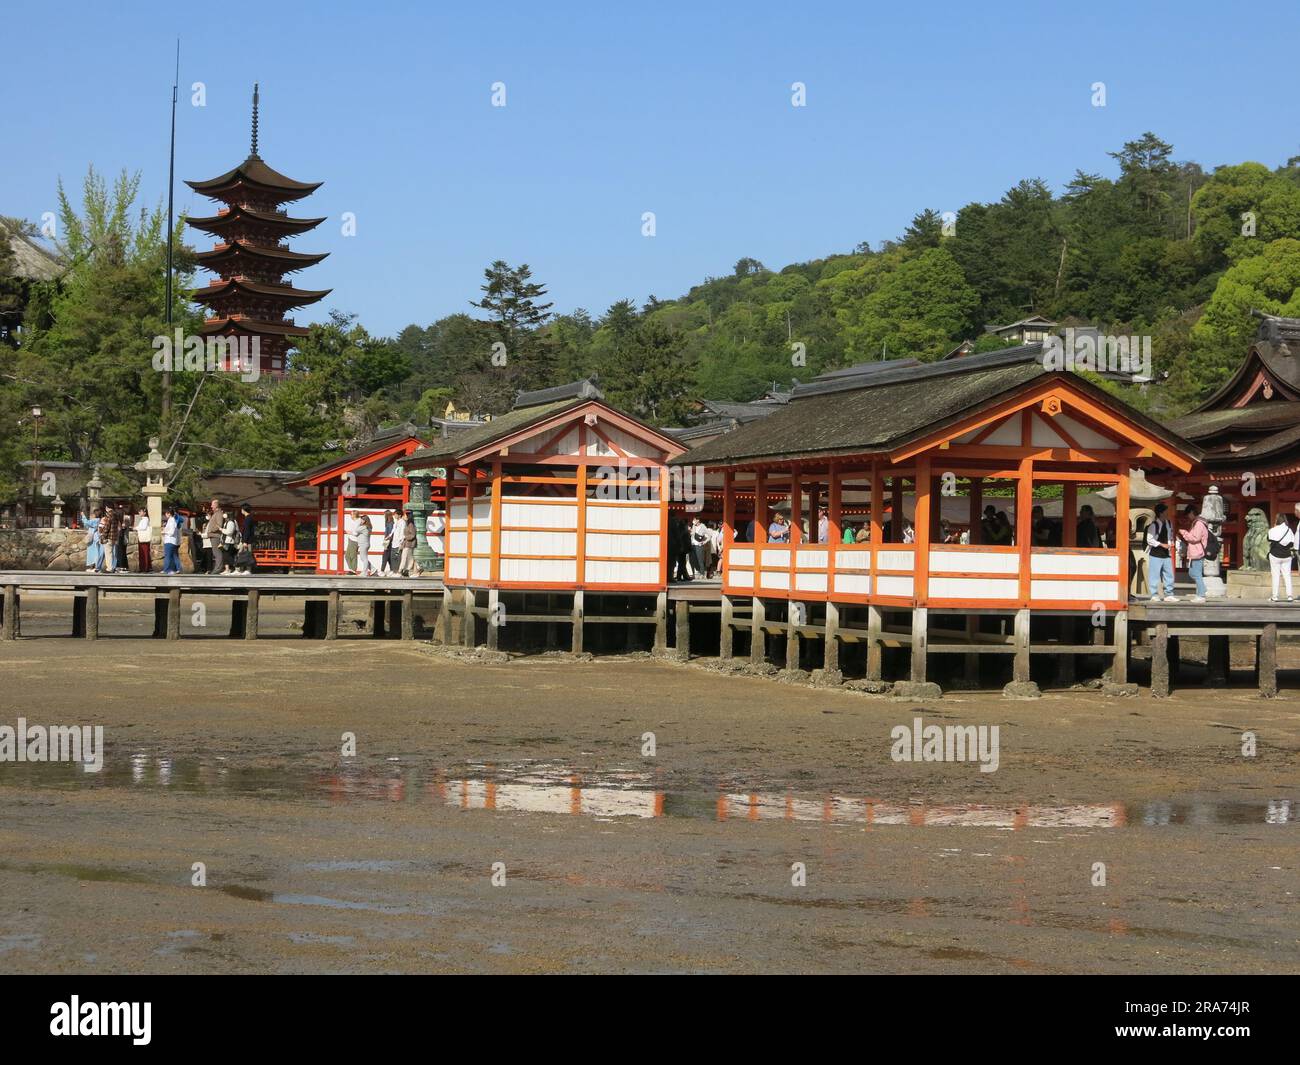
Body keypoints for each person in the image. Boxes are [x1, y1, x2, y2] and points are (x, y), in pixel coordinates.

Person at [1177, 503, 1208, 603]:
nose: (1188, 517)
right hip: (1195, 552)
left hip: (1197, 552)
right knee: (1192, 573)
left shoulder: (1199, 524)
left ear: (1191, 512)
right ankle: (1201, 592)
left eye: (1188, 515)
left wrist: (1184, 532)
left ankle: (1201, 594)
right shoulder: (1197, 523)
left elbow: (1195, 538)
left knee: (1196, 574)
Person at [1146, 502, 1176, 602]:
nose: (1167, 513)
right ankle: (1154, 594)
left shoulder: (1168, 523)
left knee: (1169, 574)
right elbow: (1149, 539)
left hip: (1166, 553)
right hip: (1155, 553)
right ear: (1161, 513)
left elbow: (1170, 535)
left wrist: (1171, 542)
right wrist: (1161, 544)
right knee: (1154, 575)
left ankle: (1169, 594)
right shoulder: (1153, 525)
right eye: (1166, 511)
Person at [1266, 512, 1297, 603]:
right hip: (1287, 555)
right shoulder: (1289, 530)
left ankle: (1275, 596)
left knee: (1275, 575)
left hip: (1275, 555)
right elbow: (1292, 542)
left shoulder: (1273, 530)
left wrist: (1274, 526)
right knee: (1287, 575)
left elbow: (1268, 538)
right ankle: (1290, 596)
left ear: (1277, 520)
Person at [80, 508, 104, 572]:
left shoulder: (94, 520)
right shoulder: (101, 520)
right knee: (97, 552)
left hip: (93, 538)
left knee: (92, 552)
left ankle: (93, 567)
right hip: (98, 537)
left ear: (95, 514)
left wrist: (83, 516)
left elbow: (86, 523)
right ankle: (97, 567)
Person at [204, 500, 223, 575]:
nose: (211, 506)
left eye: (212, 505)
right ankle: (217, 568)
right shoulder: (215, 514)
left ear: (216, 505)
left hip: (216, 536)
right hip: (213, 536)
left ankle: (218, 568)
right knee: (215, 553)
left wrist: (211, 530)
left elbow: (219, 525)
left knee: (217, 552)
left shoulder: (219, 514)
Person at [161, 506, 182, 574]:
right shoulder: (171, 520)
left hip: (170, 541)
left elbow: (171, 532)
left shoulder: (172, 521)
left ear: (169, 513)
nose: (165, 515)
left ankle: (166, 569)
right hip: (172, 541)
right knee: (174, 556)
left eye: (166, 513)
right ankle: (178, 568)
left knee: (168, 556)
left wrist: (164, 532)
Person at [99, 505, 120, 573]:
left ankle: (109, 568)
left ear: (108, 507)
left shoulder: (109, 516)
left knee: (108, 553)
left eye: (106, 508)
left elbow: (107, 528)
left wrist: (103, 536)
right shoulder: (116, 515)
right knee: (111, 552)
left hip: (109, 537)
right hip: (114, 537)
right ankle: (112, 567)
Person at [220, 509, 240, 574]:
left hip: (230, 541)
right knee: (226, 555)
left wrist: (221, 529)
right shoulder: (227, 522)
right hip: (226, 541)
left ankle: (235, 569)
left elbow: (229, 532)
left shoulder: (231, 522)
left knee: (229, 556)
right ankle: (227, 569)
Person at [400, 509, 417, 576]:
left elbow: (413, 534)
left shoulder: (410, 524)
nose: (403, 516)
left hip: (409, 544)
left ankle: (402, 570)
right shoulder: (407, 524)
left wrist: (405, 537)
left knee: (407, 557)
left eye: (405, 515)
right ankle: (405, 570)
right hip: (406, 544)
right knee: (406, 557)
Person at [135, 507, 153, 573]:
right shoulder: (143, 519)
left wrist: (136, 528)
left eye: (141, 511)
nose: (139, 512)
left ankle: (145, 568)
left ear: (145, 513)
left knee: (144, 553)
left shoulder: (145, 519)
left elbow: (143, 527)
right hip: (142, 539)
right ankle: (143, 567)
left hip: (144, 539)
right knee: (142, 553)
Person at [380, 510, 396, 575]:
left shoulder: (390, 523)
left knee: (385, 556)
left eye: (384, 514)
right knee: (388, 557)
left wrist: (386, 543)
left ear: (387, 515)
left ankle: (382, 570)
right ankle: (392, 569)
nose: (383, 516)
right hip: (389, 541)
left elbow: (390, 534)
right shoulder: (389, 523)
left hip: (389, 542)